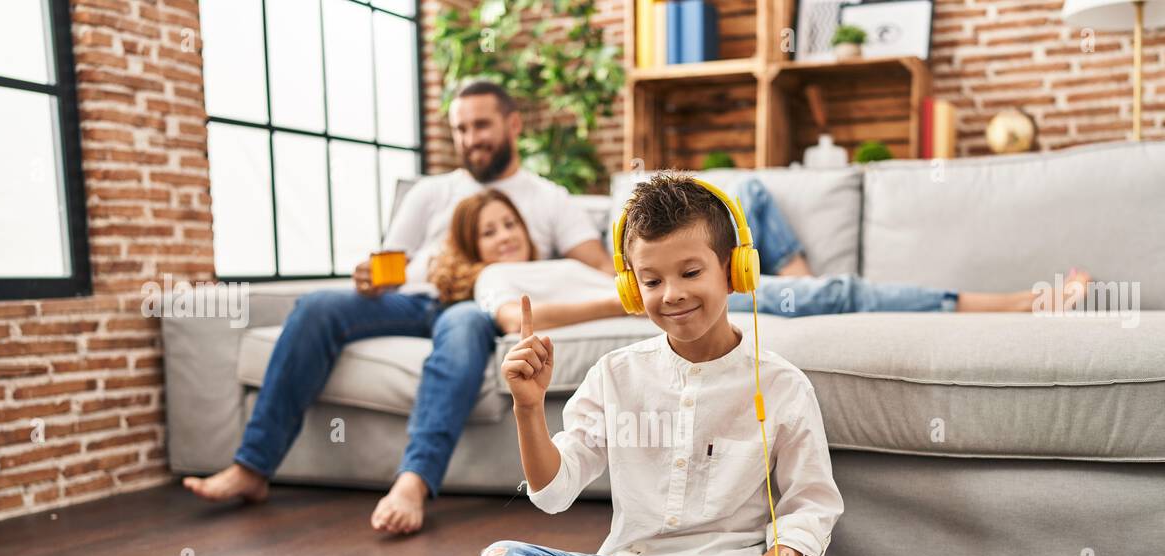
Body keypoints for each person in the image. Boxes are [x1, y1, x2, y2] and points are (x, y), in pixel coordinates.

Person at [183, 79, 612, 535]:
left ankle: (412, 482)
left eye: (481, 125)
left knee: (464, 328)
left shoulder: (549, 199)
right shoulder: (429, 192)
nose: (471, 139)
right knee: (317, 307)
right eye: (460, 129)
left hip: (476, 306)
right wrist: (371, 276)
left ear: (512, 124)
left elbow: (598, 267)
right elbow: (394, 262)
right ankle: (253, 468)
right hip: (411, 300)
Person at [473, 173, 846, 556]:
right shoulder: (614, 374)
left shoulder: (783, 384)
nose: (671, 295)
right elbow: (553, 493)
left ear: (735, 270)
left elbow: (812, 502)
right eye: (651, 281)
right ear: (631, 287)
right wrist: (528, 409)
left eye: (690, 272)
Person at [462, 174, 1092, 329]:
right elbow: (517, 321)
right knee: (840, 293)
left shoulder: (565, 261)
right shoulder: (494, 278)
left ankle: (788, 273)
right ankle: (1016, 304)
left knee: (747, 192)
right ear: (475, 249)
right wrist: (632, 294)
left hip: (647, 280)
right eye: (487, 233)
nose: (503, 237)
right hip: (644, 302)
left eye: (507, 223)